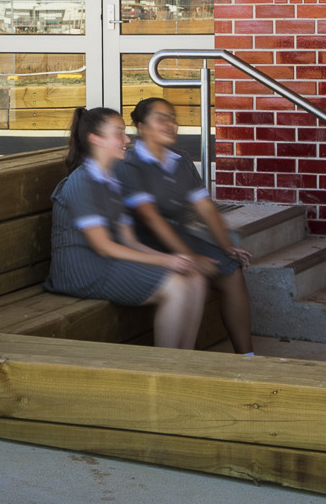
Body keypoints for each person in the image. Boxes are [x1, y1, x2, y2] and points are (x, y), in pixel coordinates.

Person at [46, 106, 207, 348]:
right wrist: (166, 262)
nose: (127, 139)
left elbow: (129, 240)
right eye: (119, 134)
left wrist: (174, 258)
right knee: (175, 286)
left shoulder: (111, 179)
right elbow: (103, 246)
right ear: (96, 139)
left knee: (194, 277)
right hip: (81, 269)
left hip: (107, 261)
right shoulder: (82, 181)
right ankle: (164, 370)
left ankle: (186, 362)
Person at [118, 96, 256, 355]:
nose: (171, 124)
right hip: (143, 240)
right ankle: (182, 357)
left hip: (176, 234)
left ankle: (247, 358)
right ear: (142, 126)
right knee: (194, 273)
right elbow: (151, 218)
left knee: (232, 270)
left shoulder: (180, 159)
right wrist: (191, 257)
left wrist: (226, 245)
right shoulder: (130, 163)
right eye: (161, 118)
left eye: (173, 118)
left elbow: (204, 206)